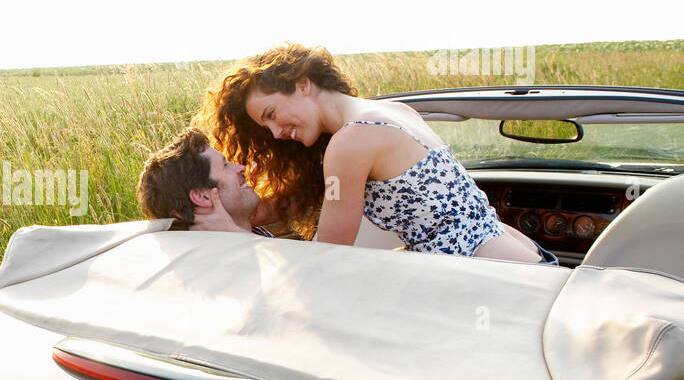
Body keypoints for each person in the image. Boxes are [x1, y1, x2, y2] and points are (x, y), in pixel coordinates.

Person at [197, 43, 560, 264]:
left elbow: (326, 256)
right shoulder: (394, 112)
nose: (276, 133)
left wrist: (237, 238)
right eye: (266, 129)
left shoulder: (352, 142)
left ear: (303, 84)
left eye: (272, 114)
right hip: (519, 259)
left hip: (500, 277)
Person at [136, 127, 286, 236]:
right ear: (203, 196)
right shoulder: (217, 263)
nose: (241, 167)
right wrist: (238, 236)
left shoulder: (249, 235)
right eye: (225, 165)